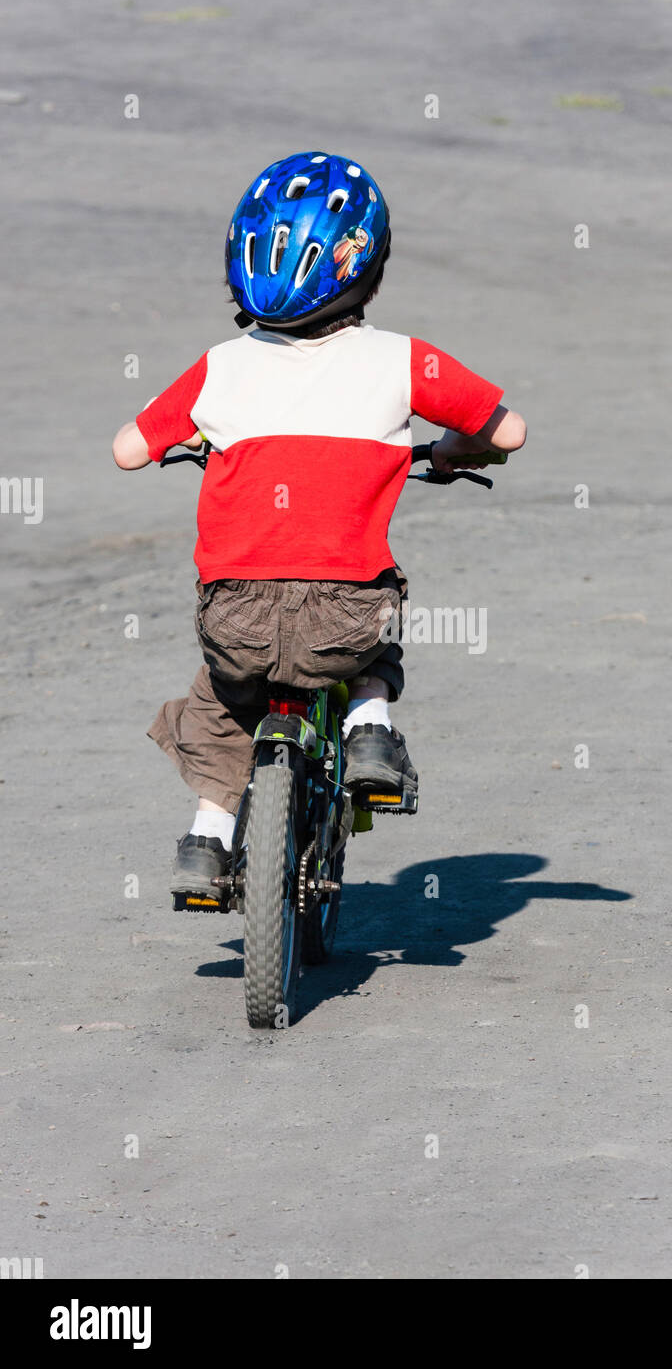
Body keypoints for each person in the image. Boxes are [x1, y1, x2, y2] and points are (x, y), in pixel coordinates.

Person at [112, 151, 526, 899]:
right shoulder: (403, 361)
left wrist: (203, 434)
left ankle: (207, 840)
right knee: (377, 611)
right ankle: (370, 727)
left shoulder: (218, 367)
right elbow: (511, 432)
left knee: (224, 697)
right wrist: (450, 450)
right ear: (366, 263)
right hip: (344, 614)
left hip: (234, 613)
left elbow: (128, 450)